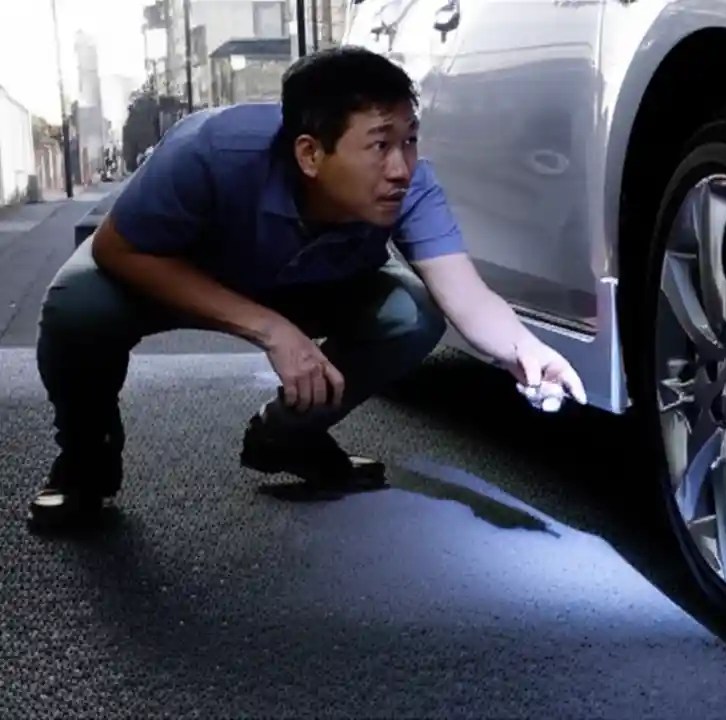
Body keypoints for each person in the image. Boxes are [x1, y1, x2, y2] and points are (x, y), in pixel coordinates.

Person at [27, 46, 586, 532]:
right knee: (78, 304)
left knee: (414, 313)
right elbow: (117, 249)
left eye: (410, 140)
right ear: (310, 154)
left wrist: (526, 349)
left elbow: (464, 293)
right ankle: (86, 460)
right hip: (184, 276)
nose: (401, 168)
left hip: (308, 285)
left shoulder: (411, 186)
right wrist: (270, 330)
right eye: (380, 145)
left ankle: (288, 436)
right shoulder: (210, 150)